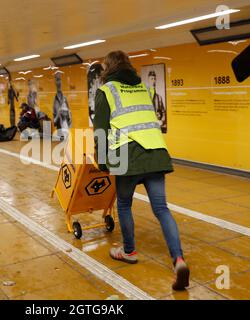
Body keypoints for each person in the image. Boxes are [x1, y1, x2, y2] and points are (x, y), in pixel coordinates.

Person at [93, 50, 190, 291]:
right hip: (156, 151)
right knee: (161, 208)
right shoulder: (142, 88)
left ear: (108, 68)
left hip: (127, 154)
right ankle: (178, 259)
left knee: (124, 204)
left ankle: (129, 251)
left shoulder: (106, 91)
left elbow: (101, 130)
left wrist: (103, 161)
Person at [53, 73, 72, 137]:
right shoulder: (54, 100)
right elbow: (54, 122)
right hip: (59, 131)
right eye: (57, 80)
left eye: (59, 80)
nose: (58, 82)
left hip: (66, 129)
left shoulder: (65, 98)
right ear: (55, 83)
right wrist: (58, 114)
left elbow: (70, 117)